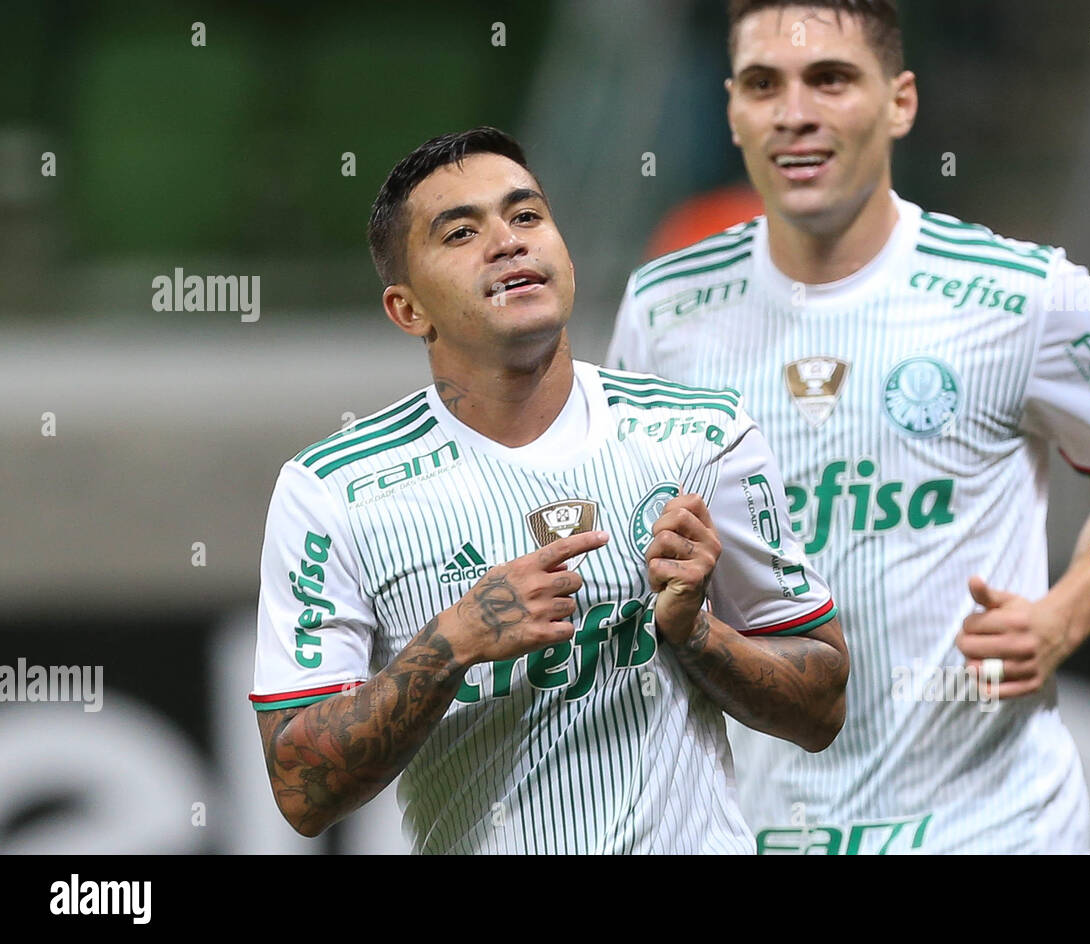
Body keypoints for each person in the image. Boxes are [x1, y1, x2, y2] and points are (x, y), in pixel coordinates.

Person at [607, 1, 1090, 853]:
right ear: (733, 108)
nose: (796, 112)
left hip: (991, 827)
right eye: (765, 84)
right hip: (755, 828)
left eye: (832, 79)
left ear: (901, 102)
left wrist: (1062, 616)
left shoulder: (1026, 296)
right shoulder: (666, 306)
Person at [248, 127, 848, 854]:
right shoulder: (331, 492)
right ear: (408, 310)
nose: (507, 242)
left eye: (526, 216)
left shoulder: (702, 435)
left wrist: (698, 635)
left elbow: (822, 706)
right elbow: (300, 790)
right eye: (461, 232)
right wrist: (451, 644)